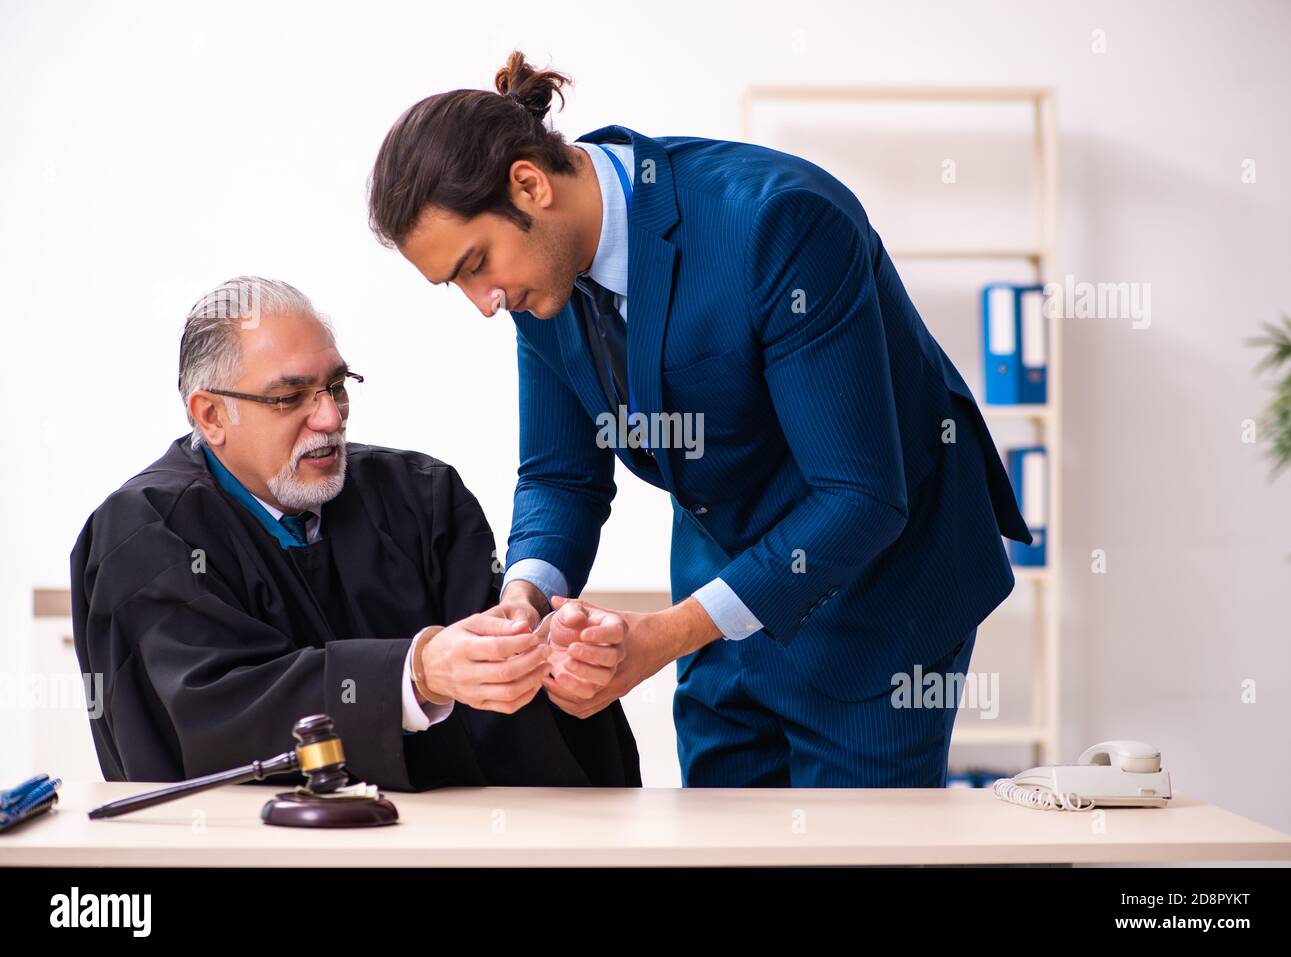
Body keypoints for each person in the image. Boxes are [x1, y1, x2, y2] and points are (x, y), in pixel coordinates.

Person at [366, 52, 1033, 787]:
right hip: (720, 585)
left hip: (880, 592)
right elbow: (561, 474)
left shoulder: (778, 221)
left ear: (529, 184)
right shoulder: (537, 278)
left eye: (474, 264)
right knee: (721, 844)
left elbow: (860, 496)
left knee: (849, 852)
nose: (482, 300)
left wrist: (662, 635)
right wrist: (523, 598)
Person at [69, 276, 639, 790]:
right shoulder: (143, 535)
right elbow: (213, 715)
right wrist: (414, 674)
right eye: (290, 397)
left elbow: (511, 709)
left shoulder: (422, 497)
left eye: (336, 385)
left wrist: (555, 655)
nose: (330, 418)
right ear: (211, 415)